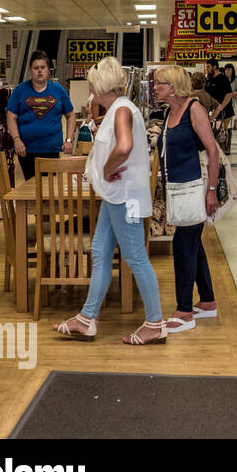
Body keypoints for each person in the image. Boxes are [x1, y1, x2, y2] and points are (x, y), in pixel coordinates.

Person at [53, 57, 165, 345]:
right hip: (116, 197)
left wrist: (106, 169)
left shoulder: (122, 111)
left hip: (123, 198)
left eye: (92, 83)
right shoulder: (118, 108)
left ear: (101, 85)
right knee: (100, 250)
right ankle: (86, 318)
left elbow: (124, 146)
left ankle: (154, 323)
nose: (90, 88)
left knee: (136, 258)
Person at [151, 65, 219, 335]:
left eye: (160, 84)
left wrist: (211, 190)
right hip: (176, 189)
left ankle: (184, 310)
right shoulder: (169, 113)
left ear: (174, 86)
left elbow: (212, 151)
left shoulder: (194, 109)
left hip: (193, 188)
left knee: (183, 244)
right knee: (193, 243)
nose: (156, 88)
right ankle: (208, 299)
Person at [7, 50, 76, 179]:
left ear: (48, 70)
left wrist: (69, 140)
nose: (40, 71)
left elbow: (71, 115)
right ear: (30, 70)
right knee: (31, 189)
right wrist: (16, 139)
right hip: (26, 150)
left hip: (52, 150)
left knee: (49, 191)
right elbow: (11, 117)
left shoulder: (59, 90)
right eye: (36, 68)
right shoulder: (19, 91)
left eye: (43, 67)